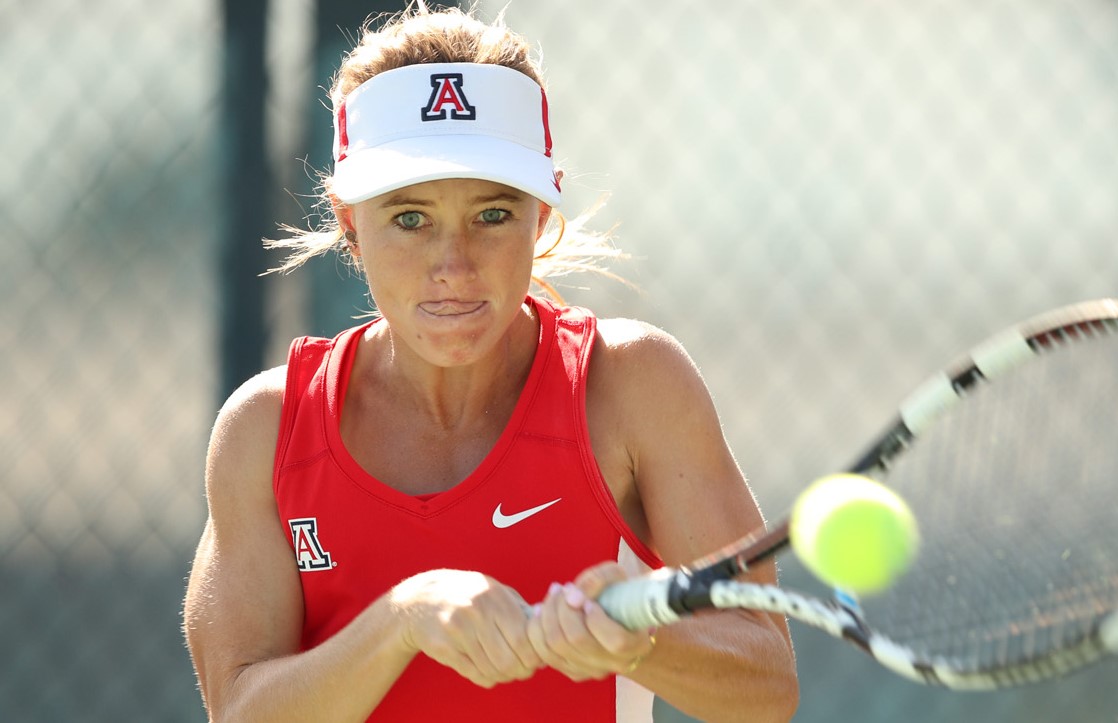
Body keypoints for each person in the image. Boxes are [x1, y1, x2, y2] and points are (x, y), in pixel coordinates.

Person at [183, 5, 798, 722]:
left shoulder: (634, 384)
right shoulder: (266, 428)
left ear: (539, 215)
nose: (453, 265)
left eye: (493, 214)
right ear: (349, 221)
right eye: (409, 219)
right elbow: (240, 711)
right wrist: (404, 618)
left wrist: (638, 641)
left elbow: (766, 687)